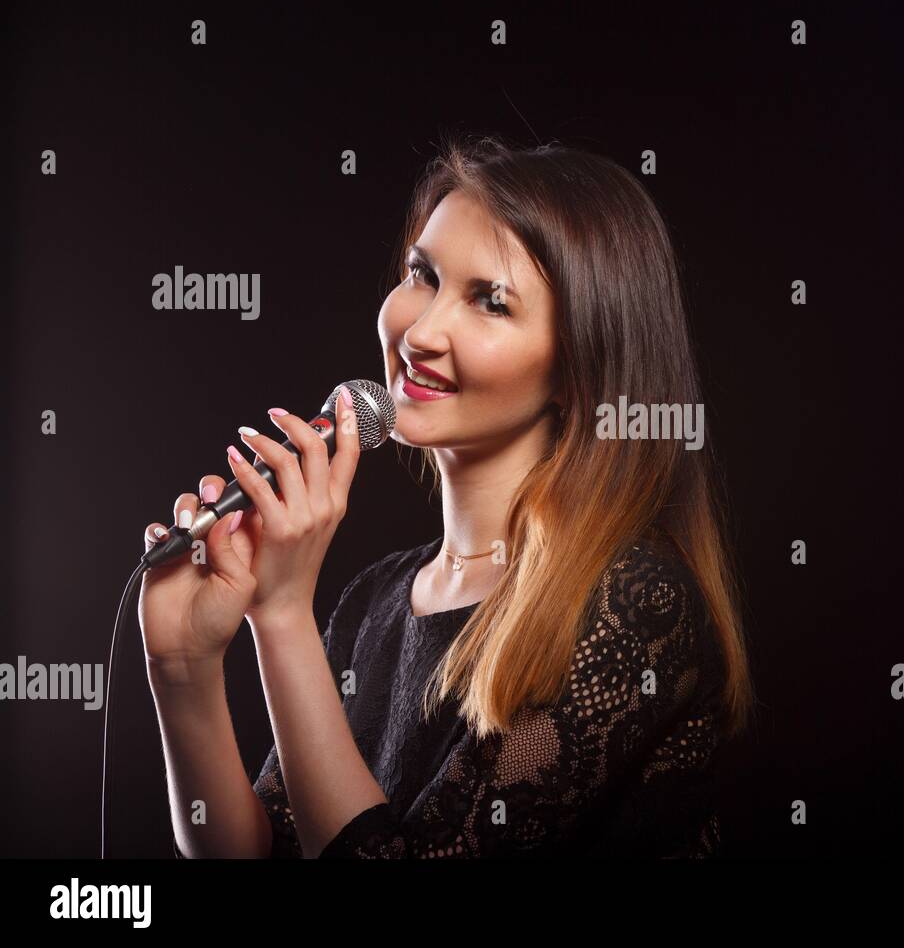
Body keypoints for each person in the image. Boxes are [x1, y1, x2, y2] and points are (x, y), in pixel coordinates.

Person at [140, 135, 754, 858]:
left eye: (490, 302)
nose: (421, 332)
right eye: (422, 276)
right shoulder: (375, 601)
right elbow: (274, 850)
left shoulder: (636, 607)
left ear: (580, 365)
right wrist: (182, 671)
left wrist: (280, 619)